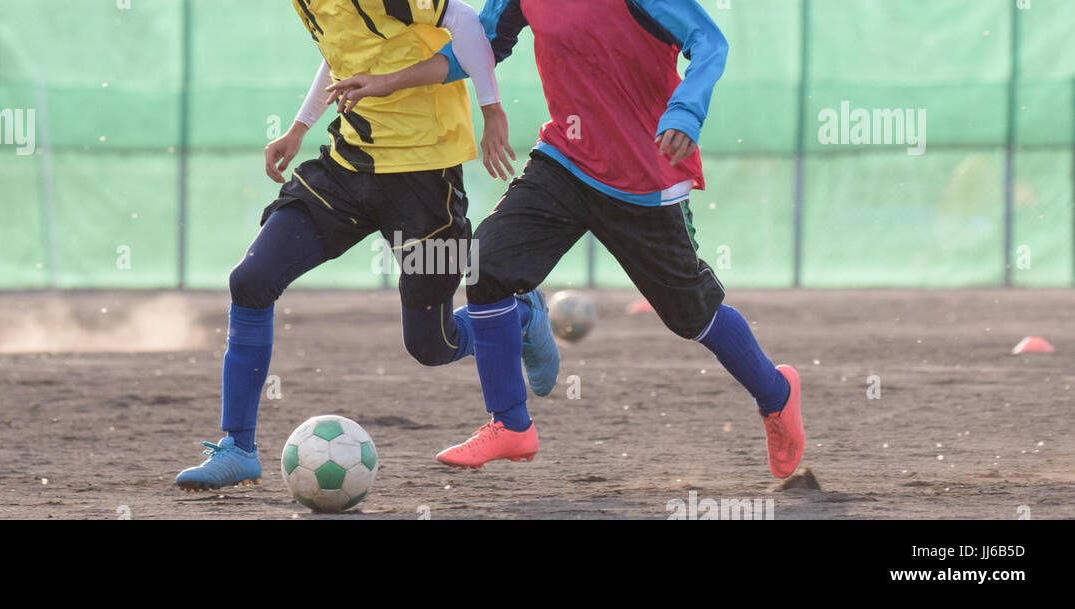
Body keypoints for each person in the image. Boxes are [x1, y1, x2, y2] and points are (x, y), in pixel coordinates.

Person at [174, 0, 560, 491]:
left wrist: (492, 111)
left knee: (430, 345)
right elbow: (346, 49)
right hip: (347, 169)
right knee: (250, 281)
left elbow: (462, 21)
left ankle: (521, 315)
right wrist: (299, 127)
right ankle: (238, 448)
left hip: (425, 179)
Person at [410, 0, 805, 477]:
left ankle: (777, 396)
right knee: (487, 267)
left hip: (643, 174)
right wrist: (391, 78)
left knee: (691, 316)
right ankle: (511, 424)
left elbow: (710, 44)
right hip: (565, 159)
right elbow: (483, 46)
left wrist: (684, 111)